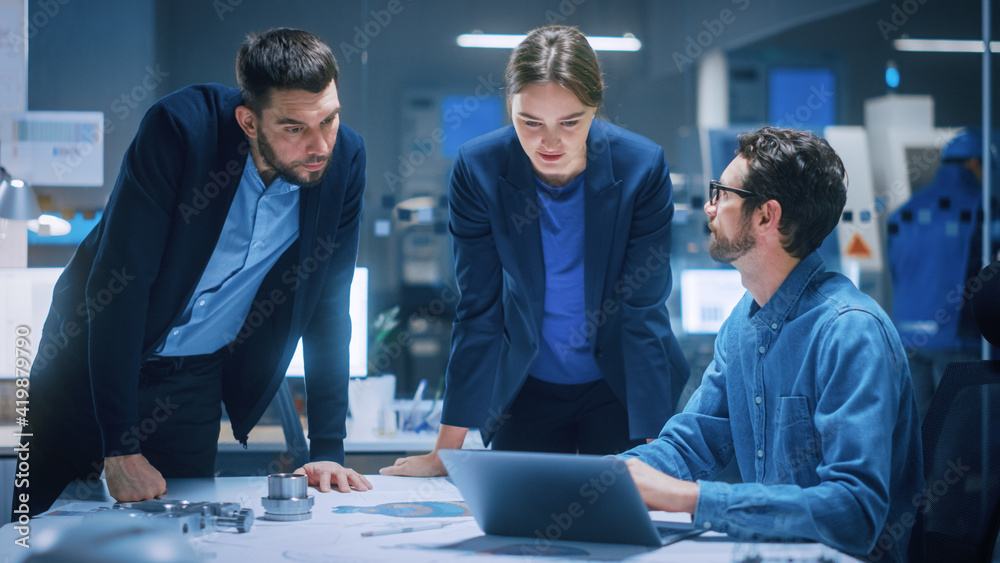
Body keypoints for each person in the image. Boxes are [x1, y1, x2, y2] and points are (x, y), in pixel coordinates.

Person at [16, 28, 371, 519]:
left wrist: (328, 446)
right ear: (248, 121)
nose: (320, 145)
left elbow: (328, 305)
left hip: (191, 385)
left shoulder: (345, 161)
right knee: (23, 528)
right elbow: (120, 286)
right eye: (294, 128)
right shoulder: (181, 130)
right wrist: (119, 447)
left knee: (182, 537)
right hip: (88, 361)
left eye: (329, 119)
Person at [382, 25, 689, 477]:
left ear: (594, 109)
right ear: (510, 105)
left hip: (622, 389)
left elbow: (642, 310)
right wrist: (446, 450)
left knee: (626, 529)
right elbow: (479, 309)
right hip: (526, 388)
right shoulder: (479, 168)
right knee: (518, 533)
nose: (550, 143)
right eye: (530, 122)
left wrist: (659, 447)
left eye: (571, 122)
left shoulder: (640, 167)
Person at [619, 127, 924, 563]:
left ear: (766, 216)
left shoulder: (850, 332)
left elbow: (853, 514)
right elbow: (691, 443)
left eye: (721, 193)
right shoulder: (743, 323)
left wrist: (690, 499)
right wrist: (601, 481)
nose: (709, 206)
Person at [887, 128, 1000, 420]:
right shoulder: (985, 208)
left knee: (921, 434)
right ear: (974, 164)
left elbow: (897, 271)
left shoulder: (905, 212)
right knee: (961, 436)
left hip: (908, 338)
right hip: (958, 340)